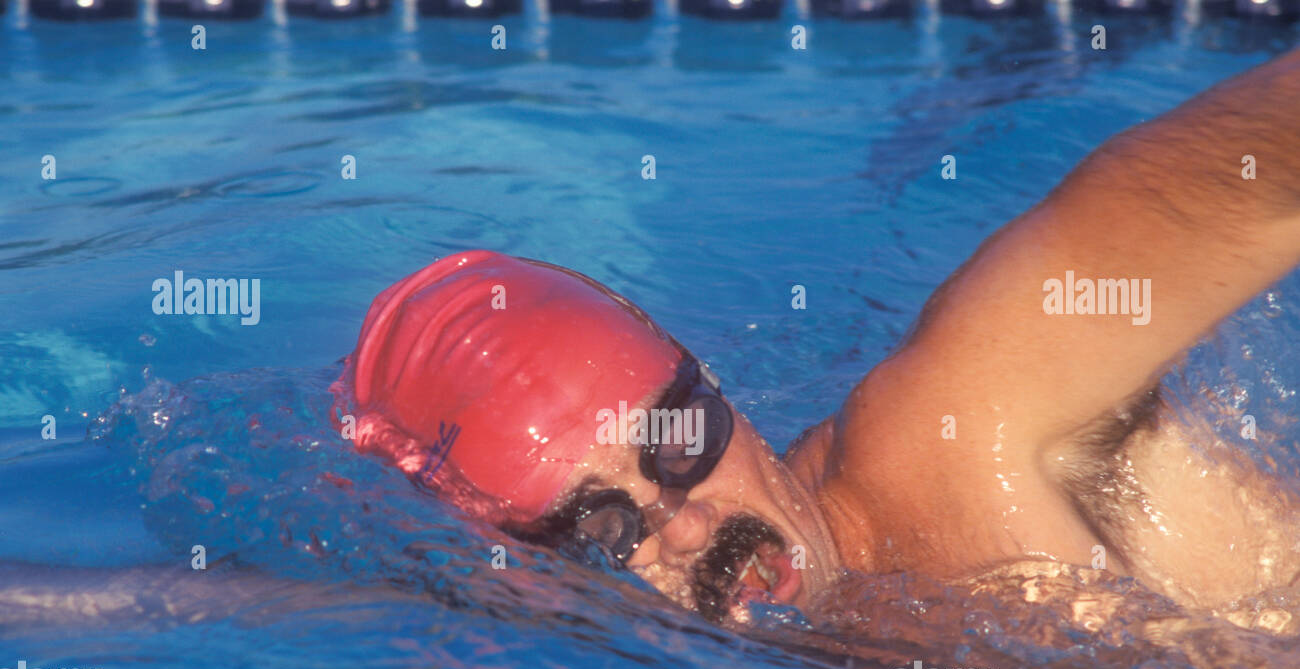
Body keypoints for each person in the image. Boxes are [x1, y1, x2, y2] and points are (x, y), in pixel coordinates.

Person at [334, 49, 1300, 625]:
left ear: (711, 386)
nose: (688, 526)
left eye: (678, 447)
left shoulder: (964, 415)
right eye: (603, 530)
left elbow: (1238, 188)